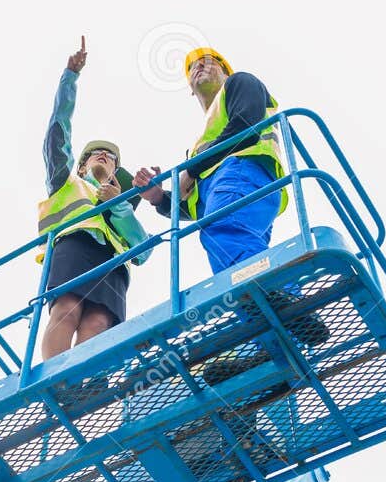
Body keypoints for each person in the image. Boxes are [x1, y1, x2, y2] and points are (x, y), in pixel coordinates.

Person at [37, 37, 151, 359]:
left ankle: (79, 389)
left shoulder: (123, 202)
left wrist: (118, 205)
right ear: (83, 164)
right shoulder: (66, 182)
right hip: (74, 248)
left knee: (99, 322)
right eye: (94, 154)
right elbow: (56, 133)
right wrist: (69, 79)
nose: (102, 155)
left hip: (112, 265)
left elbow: (142, 251)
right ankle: (57, 381)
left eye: (110, 156)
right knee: (68, 310)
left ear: (116, 169)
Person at [132, 48, 286, 273]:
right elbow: (196, 205)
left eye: (209, 61)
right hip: (240, 187)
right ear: (191, 91)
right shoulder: (199, 144)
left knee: (225, 231)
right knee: (234, 257)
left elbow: (247, 127)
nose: (199, 66)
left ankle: (273, 293)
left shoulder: (239, 82)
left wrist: (192, 170)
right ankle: (276, 299)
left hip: (244, 171)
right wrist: (160, 199)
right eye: (193, 66)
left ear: (225, 72)